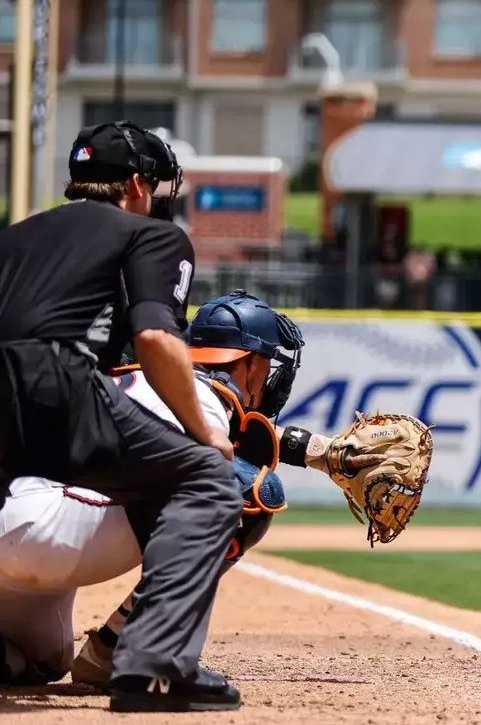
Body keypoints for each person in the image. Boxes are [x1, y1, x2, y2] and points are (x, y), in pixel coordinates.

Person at [0, 291, 377, 691]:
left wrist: (327, 453)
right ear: (251, 364)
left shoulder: (148, 377)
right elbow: (231, 445)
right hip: (49, 537)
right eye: (267, 363)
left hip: (22, 519)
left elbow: (240, 432)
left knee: (43, 656)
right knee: (243, 489)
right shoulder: (204, 400)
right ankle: (120, 653)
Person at [0, 122, 246, 711]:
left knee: (45, 649)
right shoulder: (151, 234)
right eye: (155, 187)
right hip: (53, 378)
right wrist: (205, 434)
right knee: (209, 480)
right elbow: (156, 338)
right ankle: (151, 668)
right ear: (136, 185)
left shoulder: (15, 236)